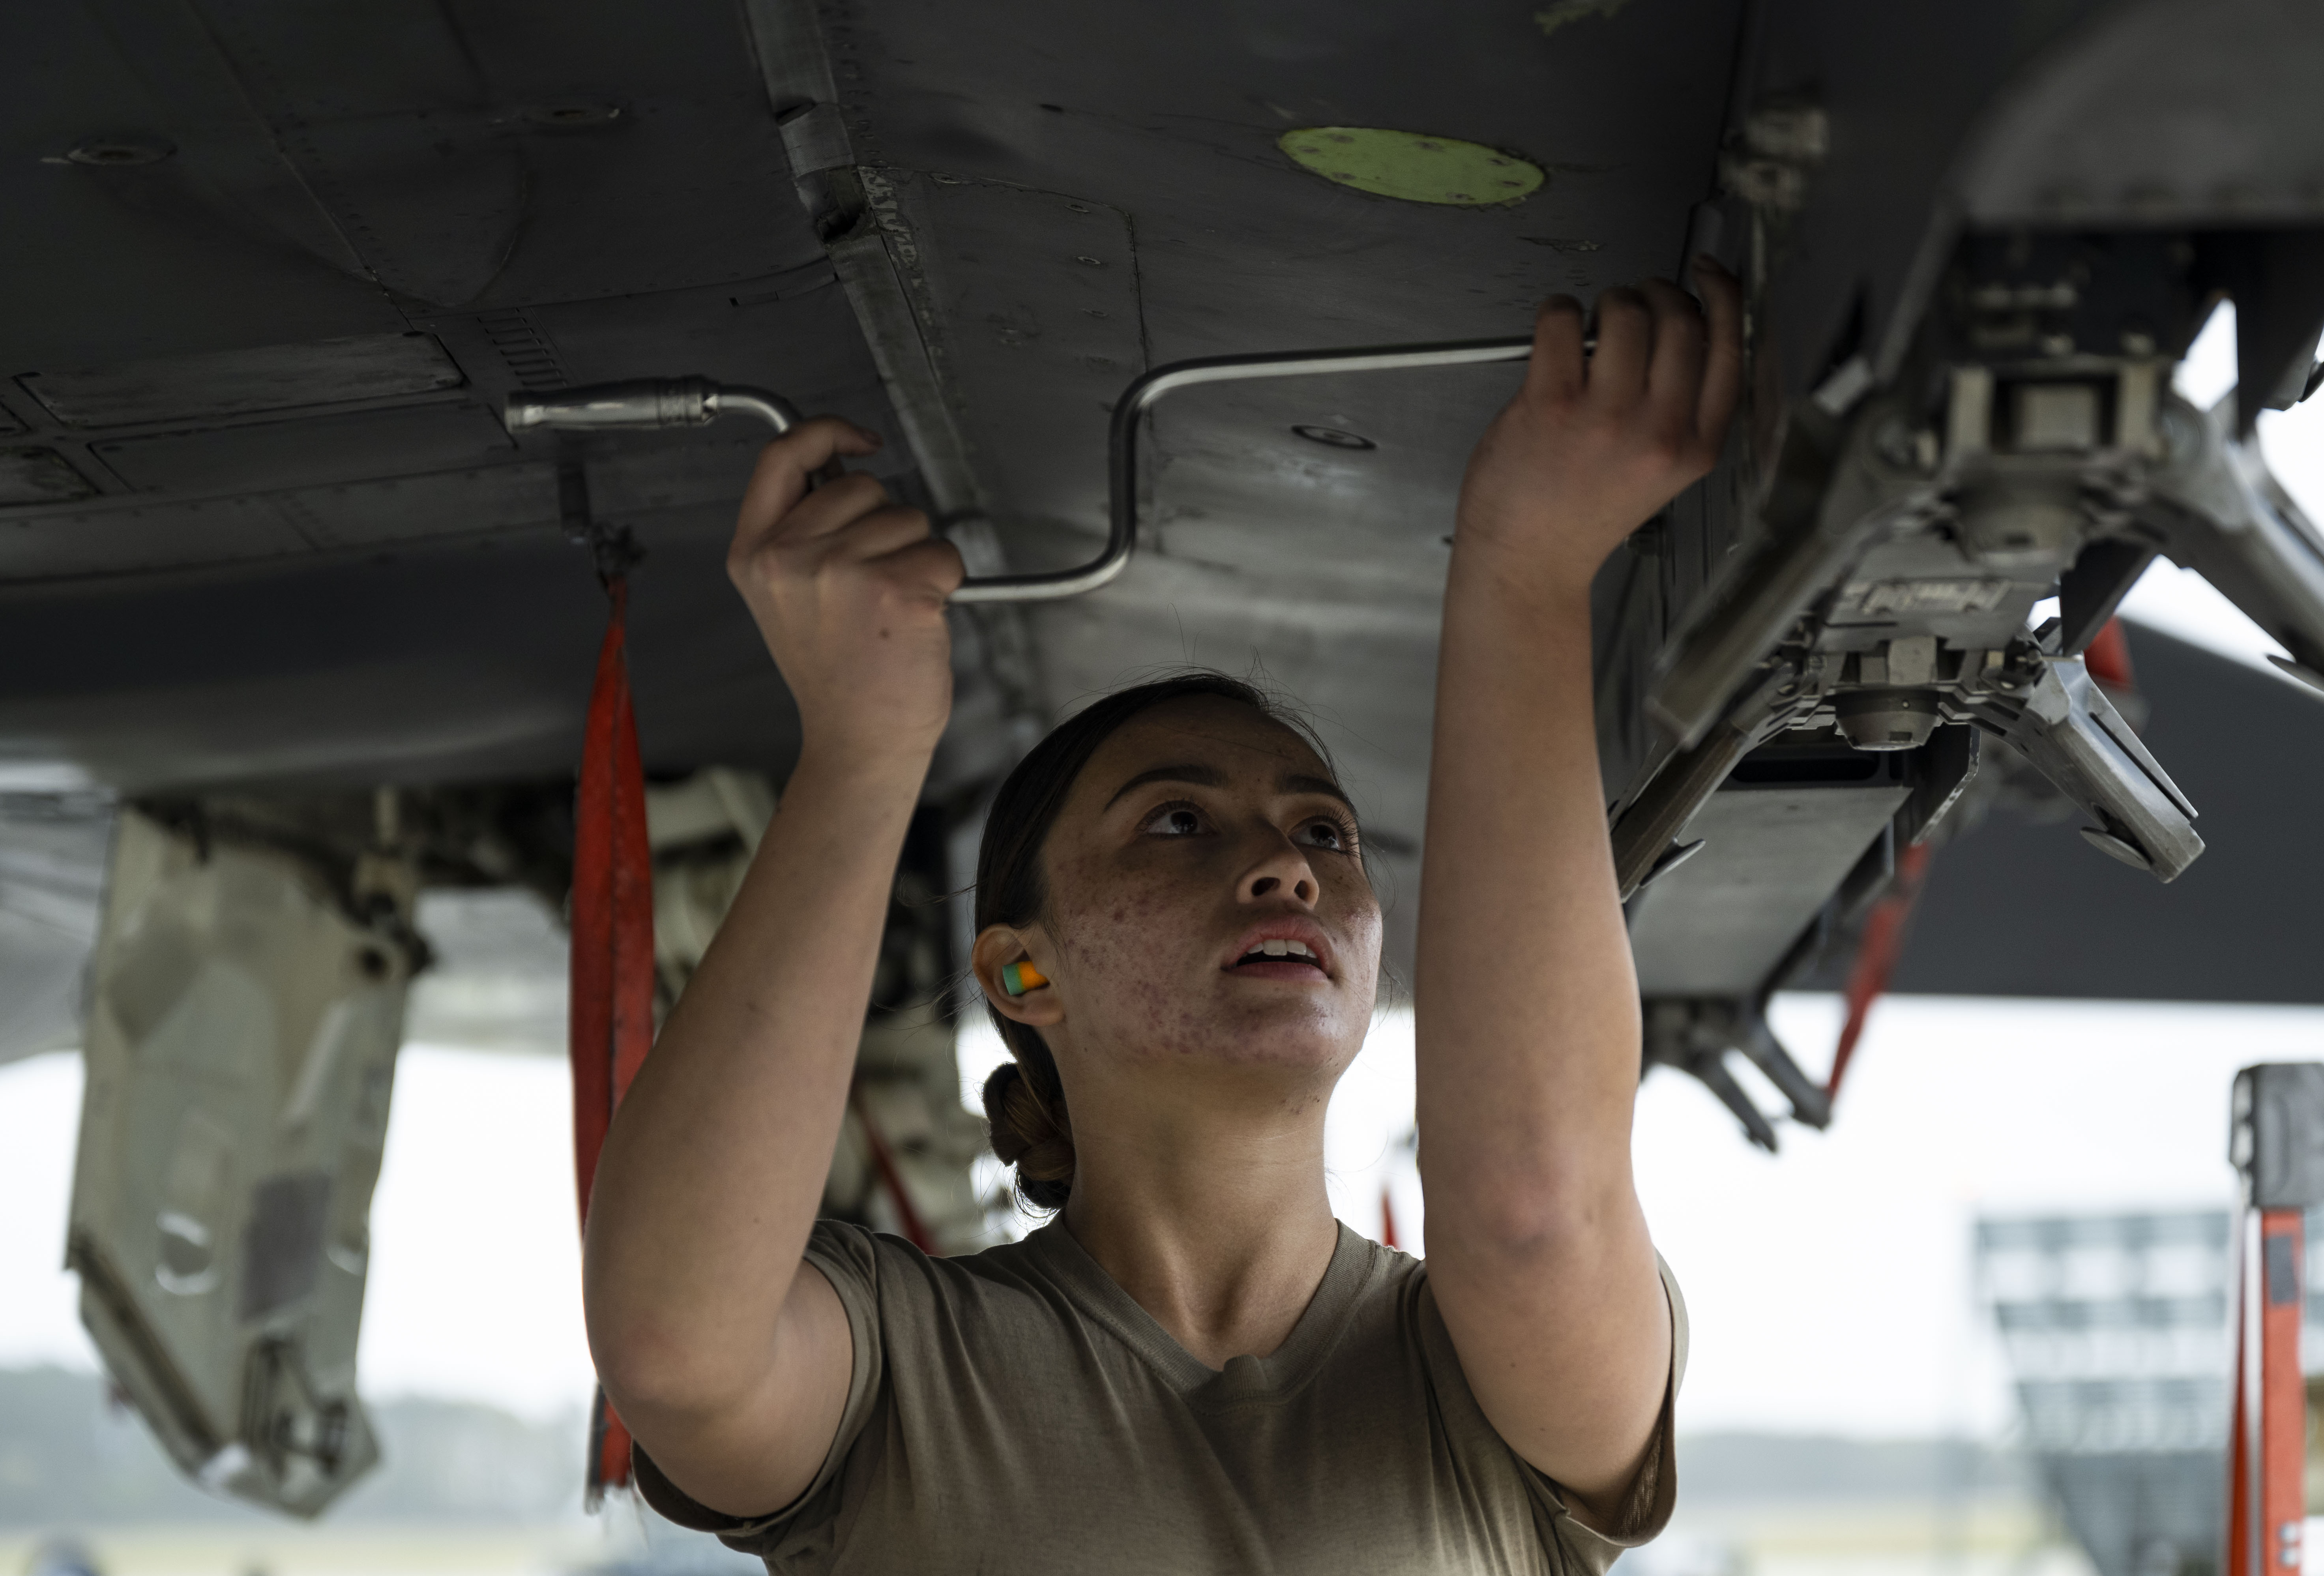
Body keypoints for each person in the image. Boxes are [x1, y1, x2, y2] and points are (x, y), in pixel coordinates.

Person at [582, 262, 1743, 1574]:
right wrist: (865, 744)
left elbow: (1533, 1204)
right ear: (1023, 971)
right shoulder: (905, 1371)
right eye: (1178, 823)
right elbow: (677, 1348)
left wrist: (1531, 564)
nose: (1287, 869)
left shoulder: (1474, 1367)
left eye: (1323, 832)